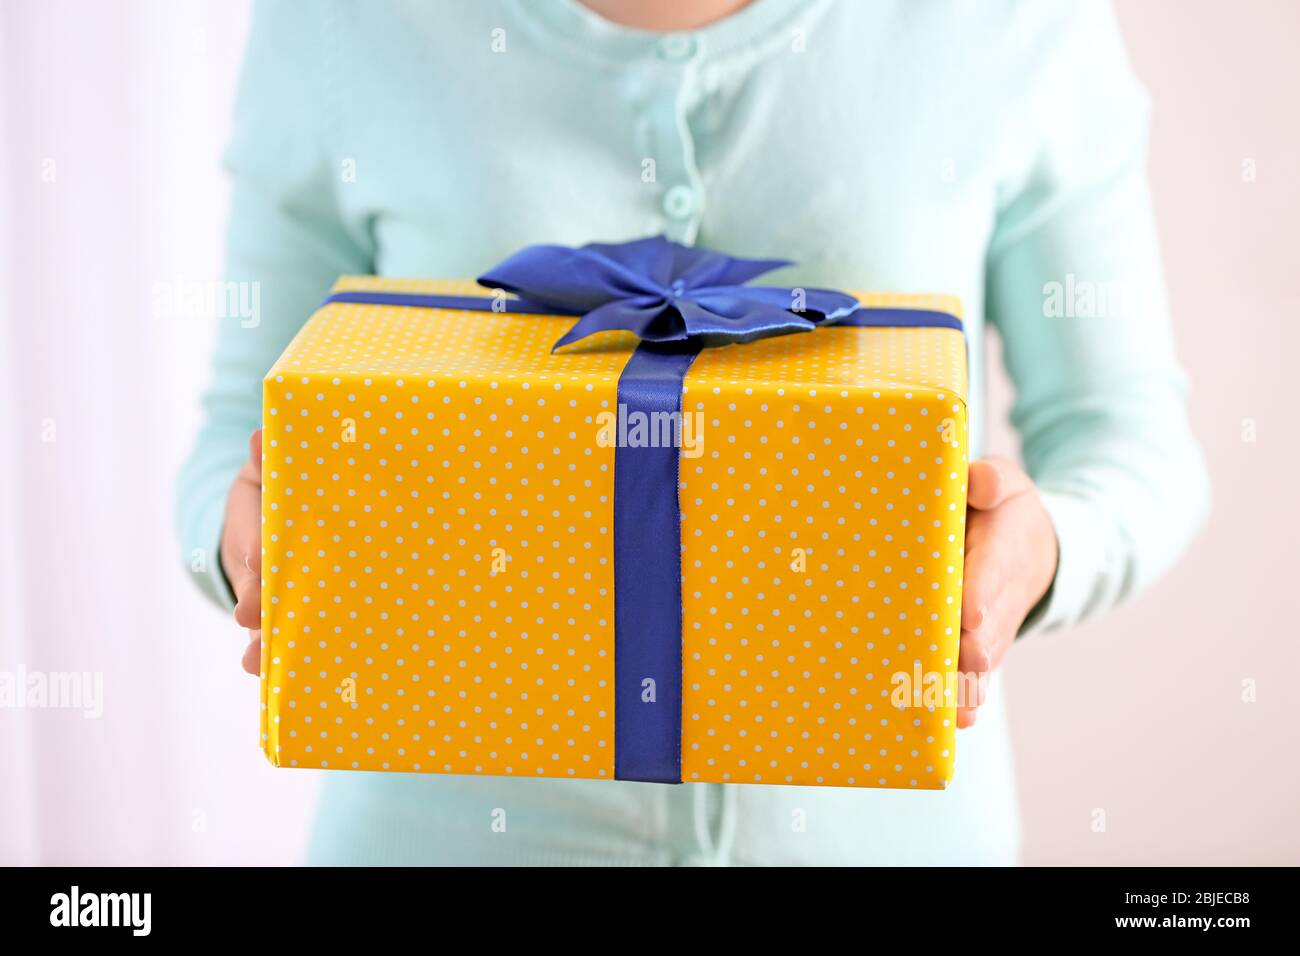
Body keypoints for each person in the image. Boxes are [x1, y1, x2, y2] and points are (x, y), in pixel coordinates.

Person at [177, 0, 1209, 865]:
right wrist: (253, 540)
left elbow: (1126, 439)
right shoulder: (341, 21)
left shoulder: (1013, 22)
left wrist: (1039, 550)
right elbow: (240, 426)